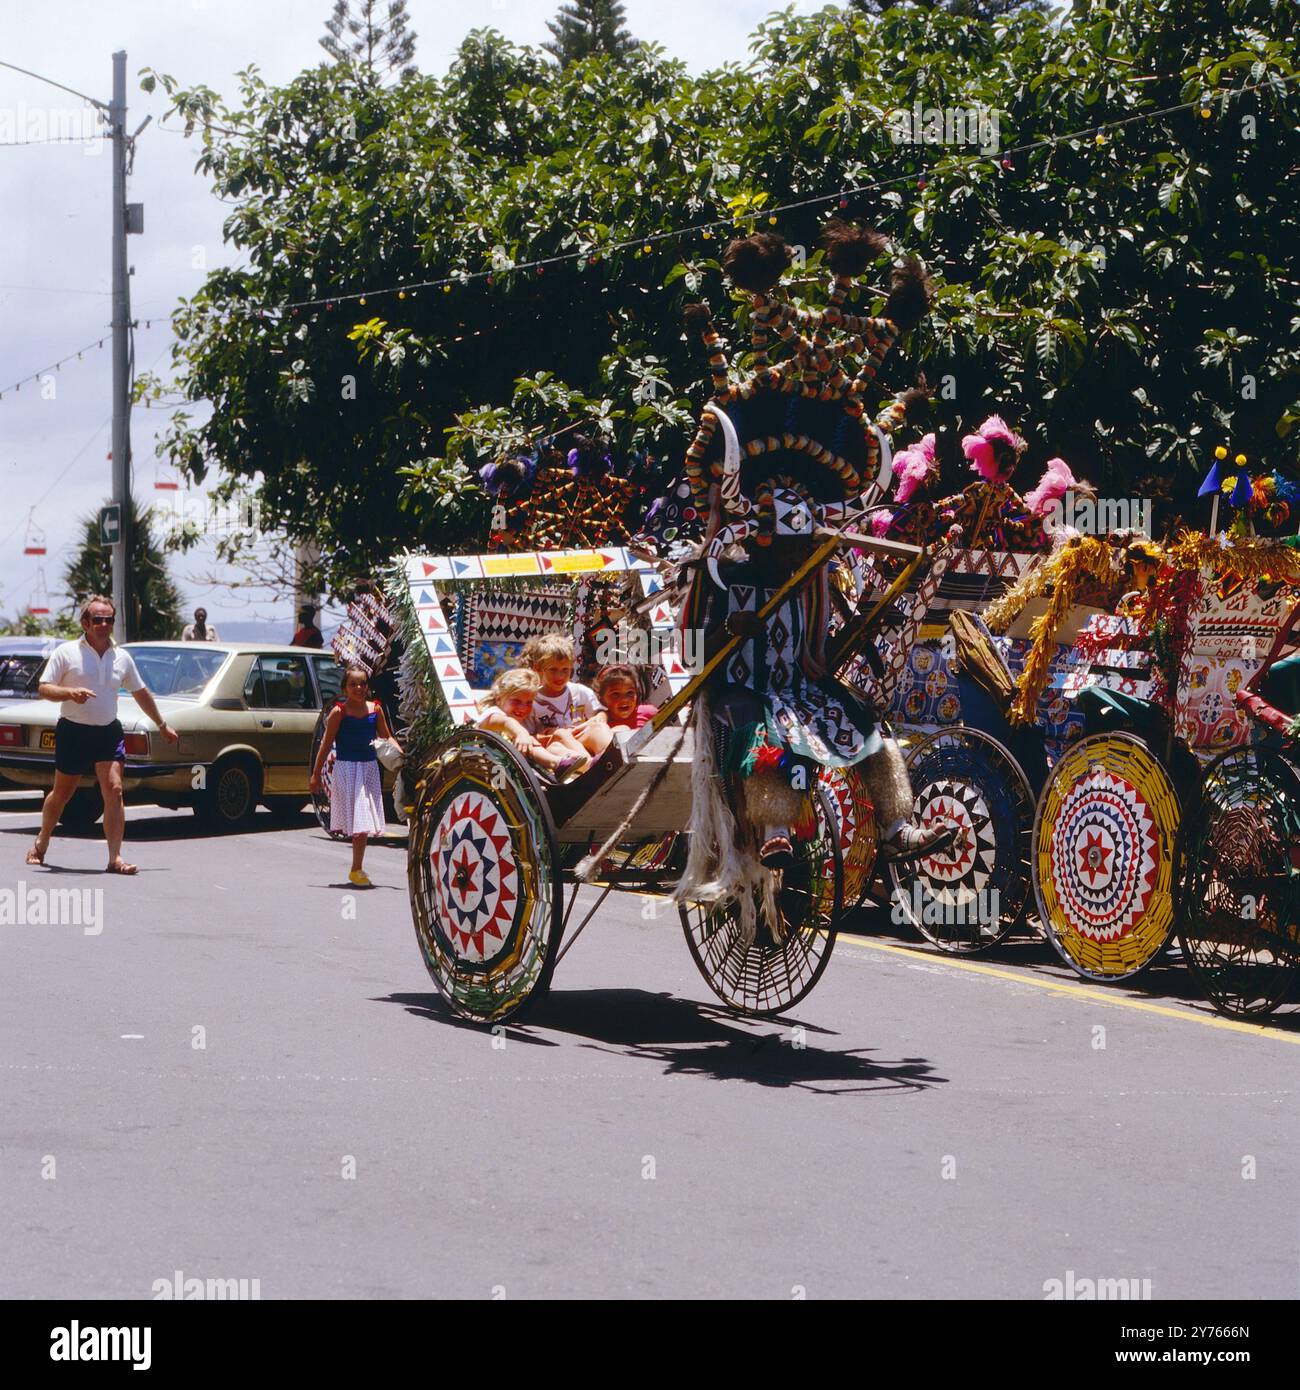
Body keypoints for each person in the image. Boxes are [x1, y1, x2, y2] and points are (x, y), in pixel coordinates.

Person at [25, 594, 180, 874]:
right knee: (62, 793)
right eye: (98, 619)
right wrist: (69, 692)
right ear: (85, 622)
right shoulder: (67, 652)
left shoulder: (121, 657)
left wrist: (161, 724)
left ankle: (115, 858)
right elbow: (44, 688)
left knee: (115, 789)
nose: (104, 625)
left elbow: (140, 692)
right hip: (73, 731)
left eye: (109, 620)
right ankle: (42, 840)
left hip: (108, 732)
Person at [309, 666, 400, 886]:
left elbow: (387, 737)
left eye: (362, 684)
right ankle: (356, 869)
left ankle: (356, 868)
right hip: (348, 769)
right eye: (353, 684)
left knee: (363, 820)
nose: (358, 688)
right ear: (344, 688)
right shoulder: (339, 712)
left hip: (369, 769)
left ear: (368, 687)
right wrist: (316, 775)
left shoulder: (375, 710)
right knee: (360, 820)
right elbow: (326, 744)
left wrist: (401, 756)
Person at [475, 669, 588, 778]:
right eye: (516, 701)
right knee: (530, 743)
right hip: (492, 766)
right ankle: (556, 763)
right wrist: (522, 734)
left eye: (529, 702)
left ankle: (584, 764)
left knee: (555, 744)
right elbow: (506, 723)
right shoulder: (493, 712)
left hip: (516, 762)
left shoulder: (522, 718)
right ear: (499, 699)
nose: (523, 708)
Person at [518, 634, 612, 757]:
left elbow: (601, 712)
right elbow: (528, 736)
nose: (560, 676)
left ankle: (613, 760)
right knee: (561, 736)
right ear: (538, 669)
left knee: (600, 729)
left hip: (582, 738)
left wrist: (598, 718)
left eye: (565, 670)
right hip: (558, 748)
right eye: (553, 670)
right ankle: (590, 767)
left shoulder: (579, 692)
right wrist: (546, 735)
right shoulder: (532, 701)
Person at [591, 663, 657, 731]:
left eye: (630, 693)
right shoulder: (601, 725)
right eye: (615, 694)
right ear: (602, 699)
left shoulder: (649, 713)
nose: (625, 699)